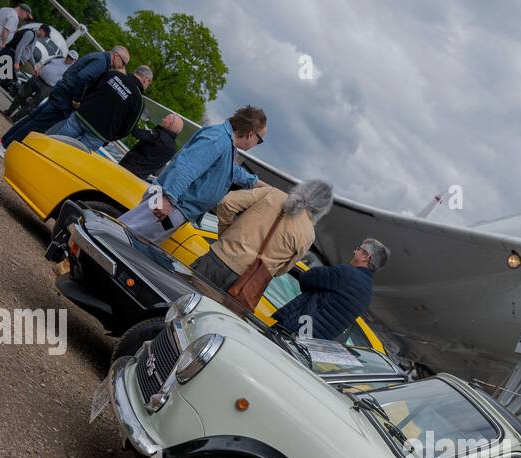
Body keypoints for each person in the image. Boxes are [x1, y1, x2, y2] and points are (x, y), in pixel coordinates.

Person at [116, 105, 265, 244]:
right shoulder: (218, 139)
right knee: (122, 238)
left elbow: (232, 171)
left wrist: (259, 184)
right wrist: (168, 199)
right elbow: (186, 167)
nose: (256, 145)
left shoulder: (226, 144)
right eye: (259, 141)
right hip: (170, 205)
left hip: (174, 207)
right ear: (251, 134)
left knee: (132, 241)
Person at [191, 179, 333, 294]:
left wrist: (226, 230)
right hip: (246, 284)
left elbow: (226, 203)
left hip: (218, 258)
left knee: (181, 300)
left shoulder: (272, 194)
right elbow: (283, 269)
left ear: (304, 188)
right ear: (321, 209)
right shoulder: (308, 235)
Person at [0, 45, 129, 155]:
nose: (123, 66)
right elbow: (83, 78)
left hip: (61, 91)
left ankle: (4, 141)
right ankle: (6, 145)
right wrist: (77, 100)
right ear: (116, 56)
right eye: (124, 62)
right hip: (65, 98)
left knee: (33, 119)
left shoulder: (99, 57)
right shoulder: (101, 62)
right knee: (37, 124)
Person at [273, 238, 389, 341]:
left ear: (366, 257)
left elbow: (307, 278)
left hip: (293, 330)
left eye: (359, 249)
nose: (354, 252)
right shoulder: (368, 295)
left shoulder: (347, 273)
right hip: (312, 343)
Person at [47, 65, 152, 152]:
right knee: (72, 157)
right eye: (149, 83)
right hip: (98, 134)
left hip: (82, 117)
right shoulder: (139, 101)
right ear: (146, 79)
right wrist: (110, 137)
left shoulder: (112, 74)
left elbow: (89, 88)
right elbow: (127, 129)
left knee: (54, 143)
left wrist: (83, 105)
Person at [0, 23, 50, 96]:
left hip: (13, 56)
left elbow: (29, 53)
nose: (44, 37)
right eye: (45, 34)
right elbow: (20, 47)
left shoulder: (34, 37)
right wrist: (16, 62)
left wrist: (34, 66)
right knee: (1, 75)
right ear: (41, 30)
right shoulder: (30, 34)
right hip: (12, 55)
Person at [5, 50, 75, 120]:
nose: (69, 58)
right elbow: (44, 63)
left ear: (74, 61)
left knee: (31, 104)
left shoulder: (71, 70)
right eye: (69, 56)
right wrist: (38, 69)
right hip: (37, 78)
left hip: (47, 87)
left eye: (71, 58)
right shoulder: (58, 57)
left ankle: (14, 119)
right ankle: (8, 112)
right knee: (21, 95)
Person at [119, 113, 184, 180]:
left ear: (170, 124)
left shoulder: (157, 135)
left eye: (165, 118)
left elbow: (136, 133)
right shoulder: (173, 149)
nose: (163, 119)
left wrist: (133, 118)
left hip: (126, 169)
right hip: (140, 178)